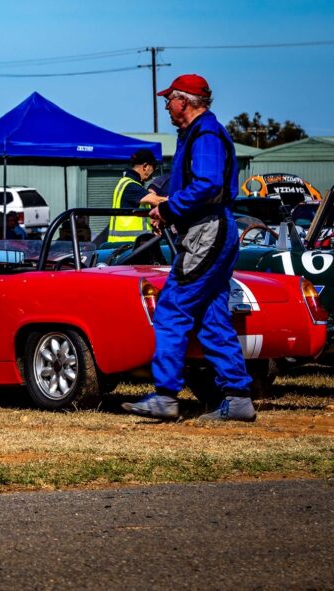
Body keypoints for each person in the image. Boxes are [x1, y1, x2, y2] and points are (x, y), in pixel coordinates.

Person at [123, 74, 256, 422]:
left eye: (169, 99)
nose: (166, 105)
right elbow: (202, 187)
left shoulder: (205, 133)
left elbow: (209, 183)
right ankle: (238, 398)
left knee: (171, 308)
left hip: (207, 230)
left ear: (185, 102)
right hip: (212, 228)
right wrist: (171, 209)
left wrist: (169, 208)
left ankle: (165, 397)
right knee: (211, 314)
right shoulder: (200, 133)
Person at [107, 149, 157, 243]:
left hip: (129, 245)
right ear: (145, 166)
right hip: (128, 246)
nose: (153, 172)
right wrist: (175, 200)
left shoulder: (130, 183)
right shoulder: (130, 185)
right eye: (153, 167)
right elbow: (156, 200)